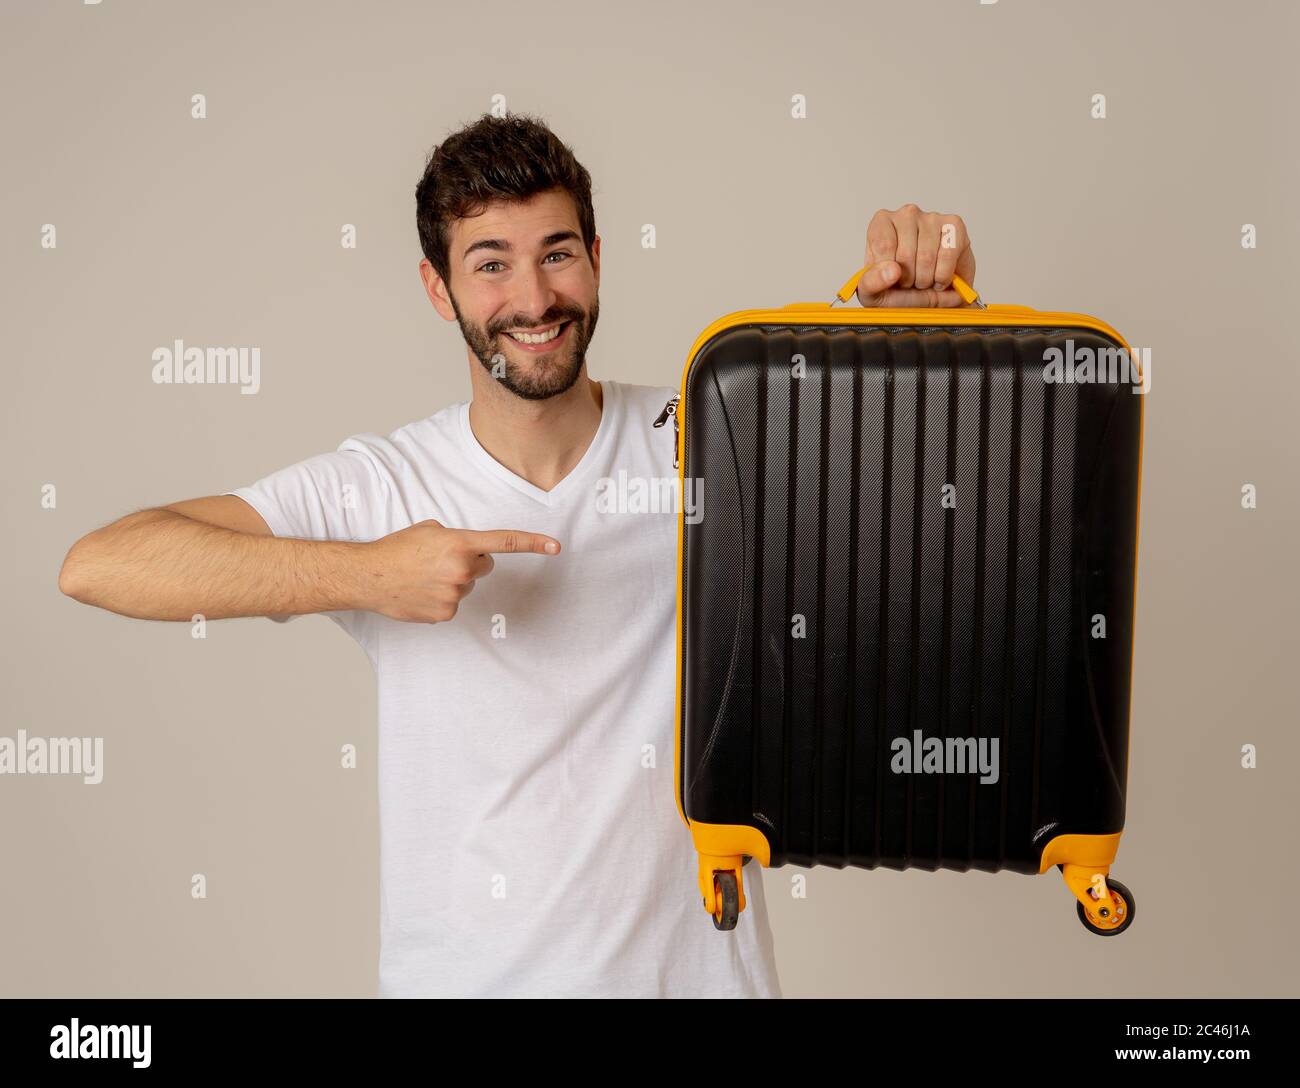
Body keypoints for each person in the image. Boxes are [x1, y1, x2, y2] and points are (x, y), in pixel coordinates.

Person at [57, 111, 977, 998]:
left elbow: (916, 510)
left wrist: (915, 335)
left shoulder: (705, 434)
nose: (534, 300)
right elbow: (102, 562)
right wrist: (367, 573)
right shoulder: (382, 485)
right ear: (438, 287)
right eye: (490, 264)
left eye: (558, 254)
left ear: (598, 259)